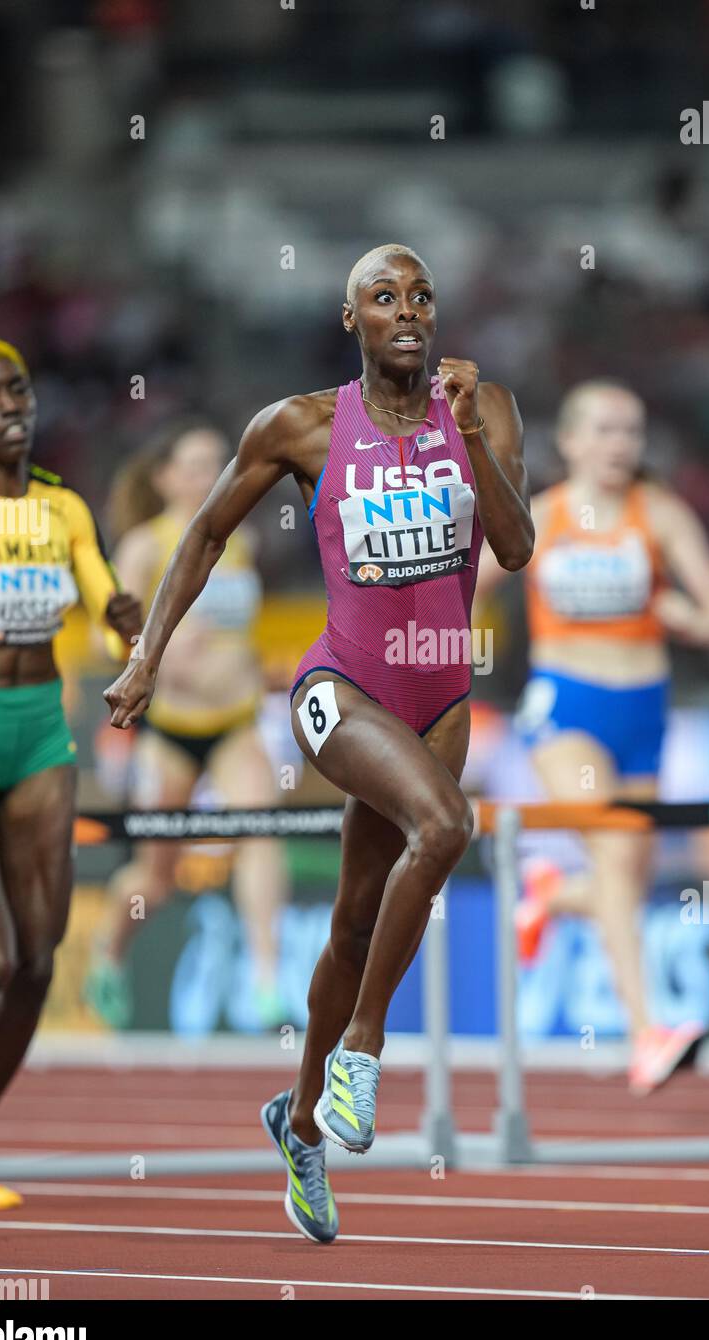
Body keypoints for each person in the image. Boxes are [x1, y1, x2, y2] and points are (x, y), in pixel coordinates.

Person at [104, 244, 533, 1243]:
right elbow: (205, 532)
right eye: (384, 297)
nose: (409, 311)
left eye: (422, 294)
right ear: (353, 320)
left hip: (440, 695)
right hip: (335, 689)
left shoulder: (486, 405)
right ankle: (364, 1050)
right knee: (446, 824)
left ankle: (297, 1120)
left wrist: (470, 437)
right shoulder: (300, 425)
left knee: (351, 922)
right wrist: (146, 658)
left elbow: (514, 547)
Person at [476, 380, 709, 1093]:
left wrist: (683, 613)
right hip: (568, 709)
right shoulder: (541, 516)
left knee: (630, 878)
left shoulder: (661, 513)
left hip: (645, 713)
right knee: (619, 858)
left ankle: (552, 896)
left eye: (631, 431)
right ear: (569, 441)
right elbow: (465, 594)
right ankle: (647, 1032)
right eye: (604, 430)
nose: (619, 444)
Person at [0, 337, 141, 1208]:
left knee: (37, 960)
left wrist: (128, 626)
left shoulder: (63, 507)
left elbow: (103, 602)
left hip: (41, 733)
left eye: (18, 387)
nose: (11, 405)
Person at [85, 420, 289, 1030]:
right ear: (166, 478)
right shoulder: (147, 545)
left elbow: (236, 631)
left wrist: (256, 670)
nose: (212, 476)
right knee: (157, 875)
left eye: (219, 463)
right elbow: (105, 631)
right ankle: (108, 956)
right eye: (197, 465)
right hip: (171, 729)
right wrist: (153, 649)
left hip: (235, 721)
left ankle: (265, 976)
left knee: (261, 830)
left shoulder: (241, 539)